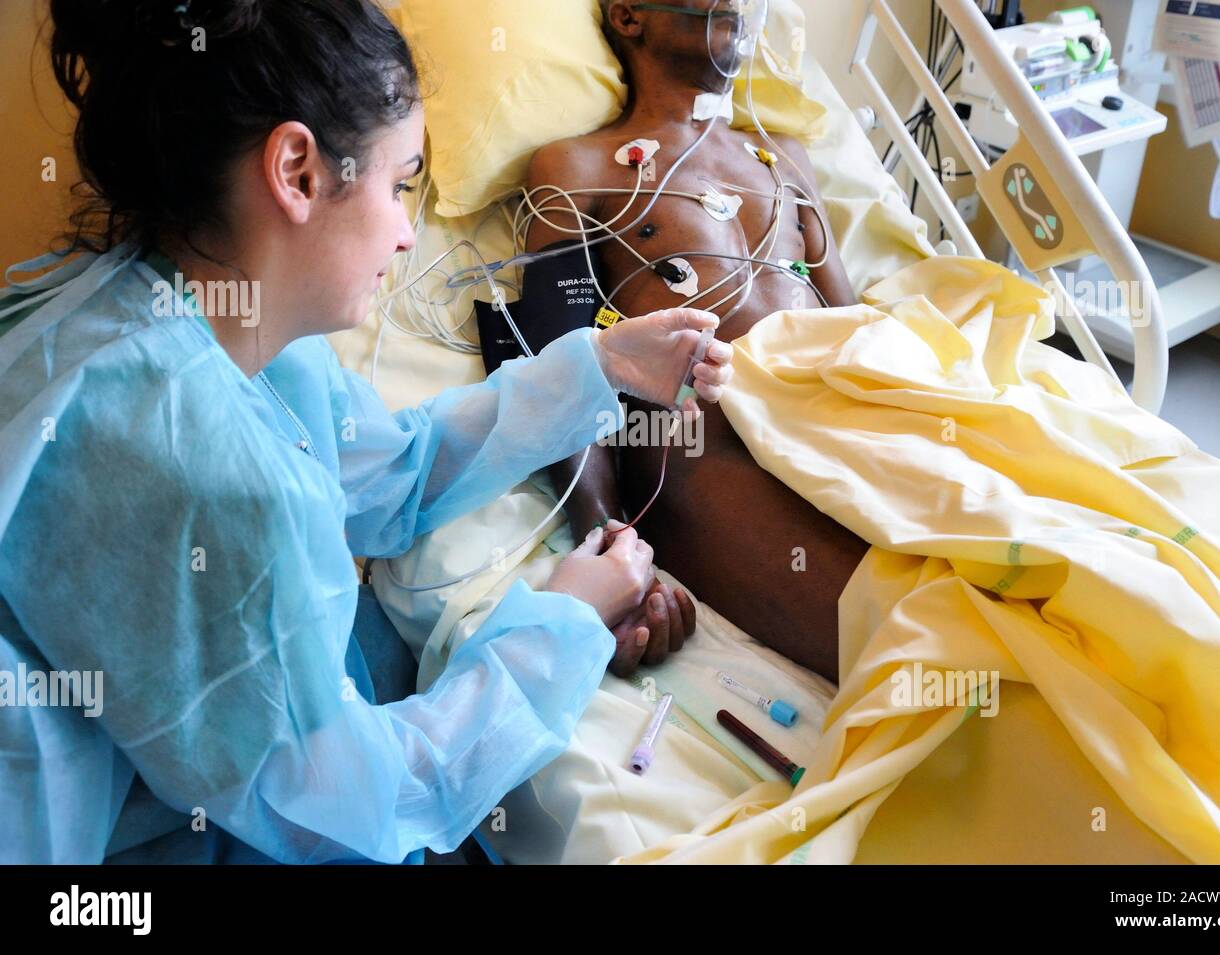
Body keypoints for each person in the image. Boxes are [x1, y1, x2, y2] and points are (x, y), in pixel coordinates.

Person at [0, 0, 732, 864]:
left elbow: (392, 473)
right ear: (299, 172)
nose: (407, 231)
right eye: (400, 183)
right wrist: (561, 624)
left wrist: (600, 364)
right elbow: (346, 806)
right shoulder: (207, 468)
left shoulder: (178, 314)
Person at [512, 0, 867, 682]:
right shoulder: (580, 169)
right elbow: (563, 372)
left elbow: (860, 334)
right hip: (718, 444)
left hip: (846, 420)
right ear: (628, 17)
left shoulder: (786, 161)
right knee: (923, 625)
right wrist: (613, 545)